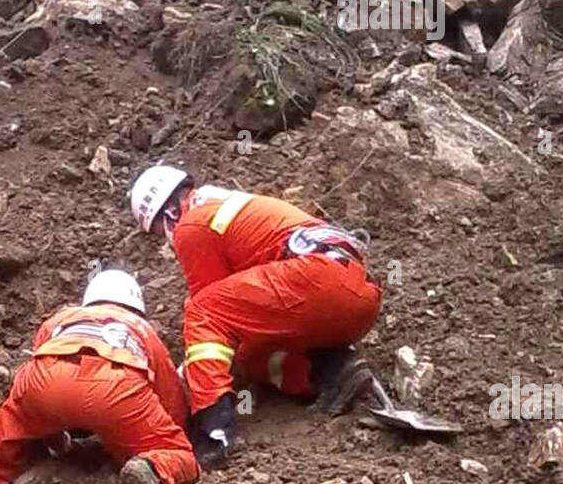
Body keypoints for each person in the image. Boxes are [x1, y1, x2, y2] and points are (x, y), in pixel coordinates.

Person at [129, 164, 382, 462]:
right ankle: (333, 371)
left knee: (202, 311)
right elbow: (239, 315)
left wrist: (189, 381)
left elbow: (208, 311)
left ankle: (213, 430)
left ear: (168, 213)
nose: (165, 239)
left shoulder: (191, 225)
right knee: (251, 354)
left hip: (315, 281)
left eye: (159, 231)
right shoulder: (227, 208)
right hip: (355, 296)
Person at [0, 269, 199, 484]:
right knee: (180, 455)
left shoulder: (60, 319)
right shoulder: (142, 328)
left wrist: (50, 427)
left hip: (45, 380)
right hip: (115, 388)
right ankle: (153, 468)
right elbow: (169, 395)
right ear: (136, 305)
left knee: (16, 415)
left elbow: (40, 360)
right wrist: (173, 433)